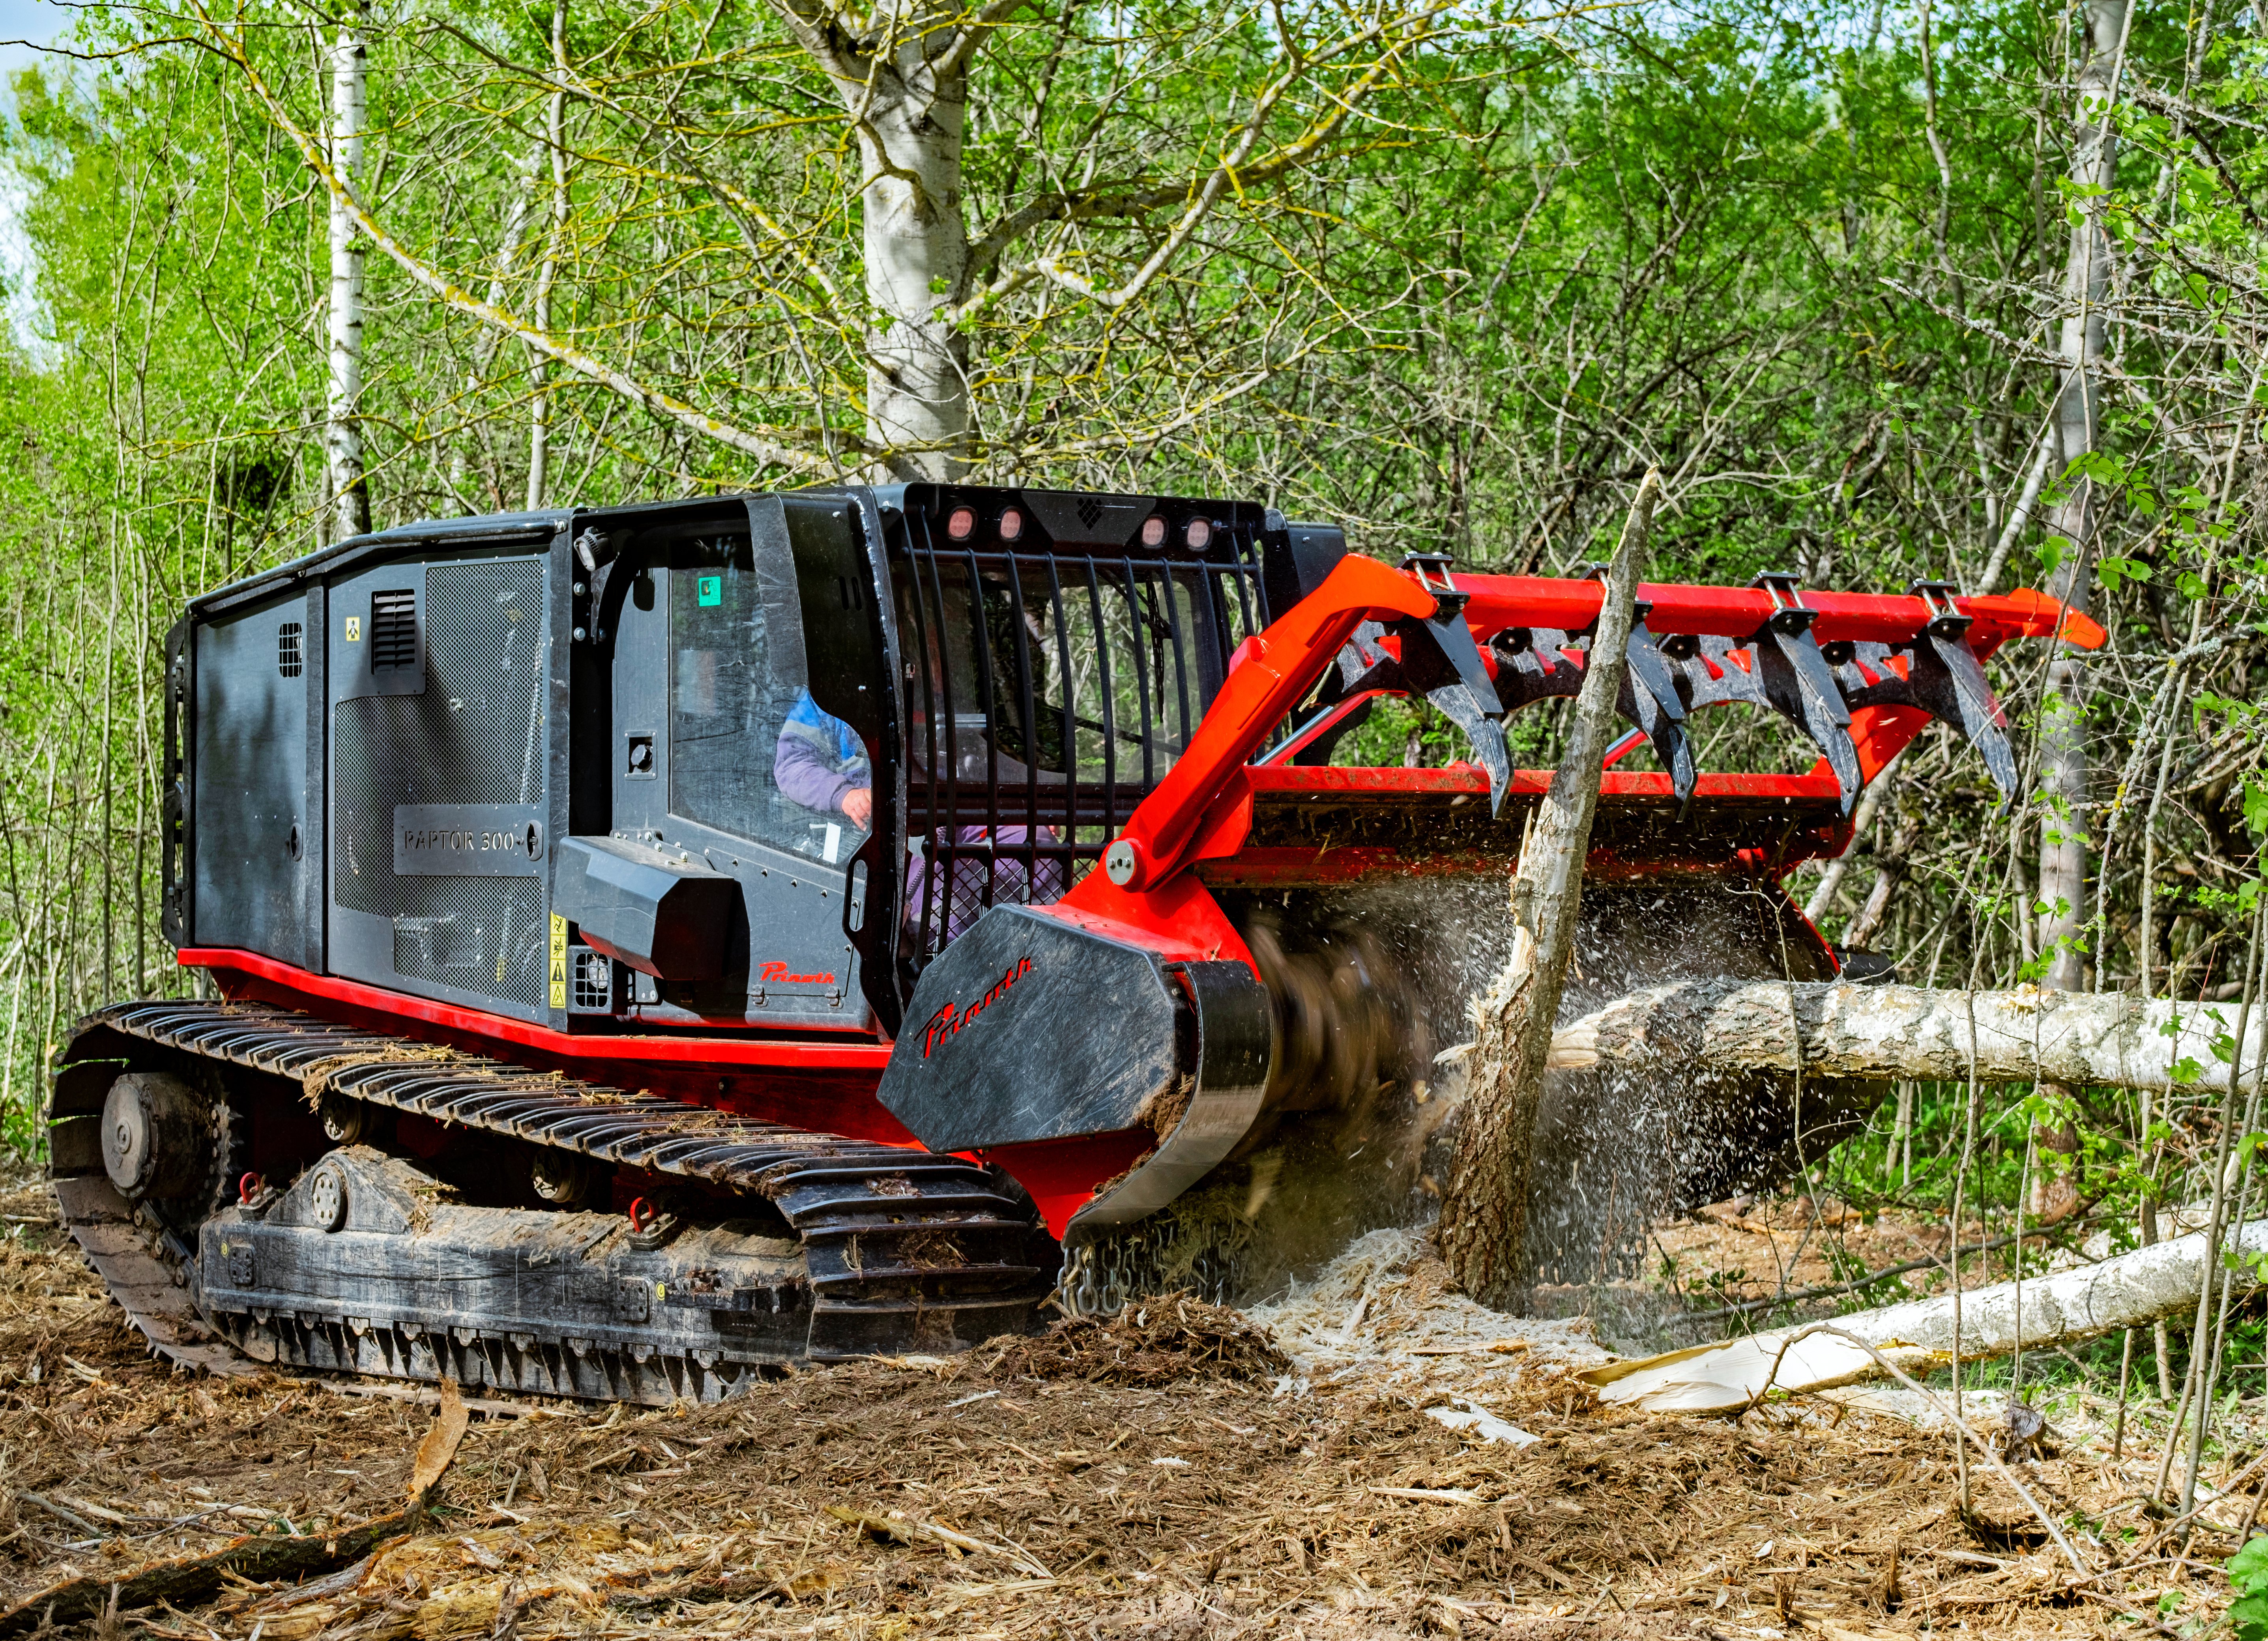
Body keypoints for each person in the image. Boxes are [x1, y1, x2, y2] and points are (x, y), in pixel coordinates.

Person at [774, 689, 872, 830]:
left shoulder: (911, 694)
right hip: (855, 832)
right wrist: (845, 795)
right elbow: (790, 767)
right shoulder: (823, 699)